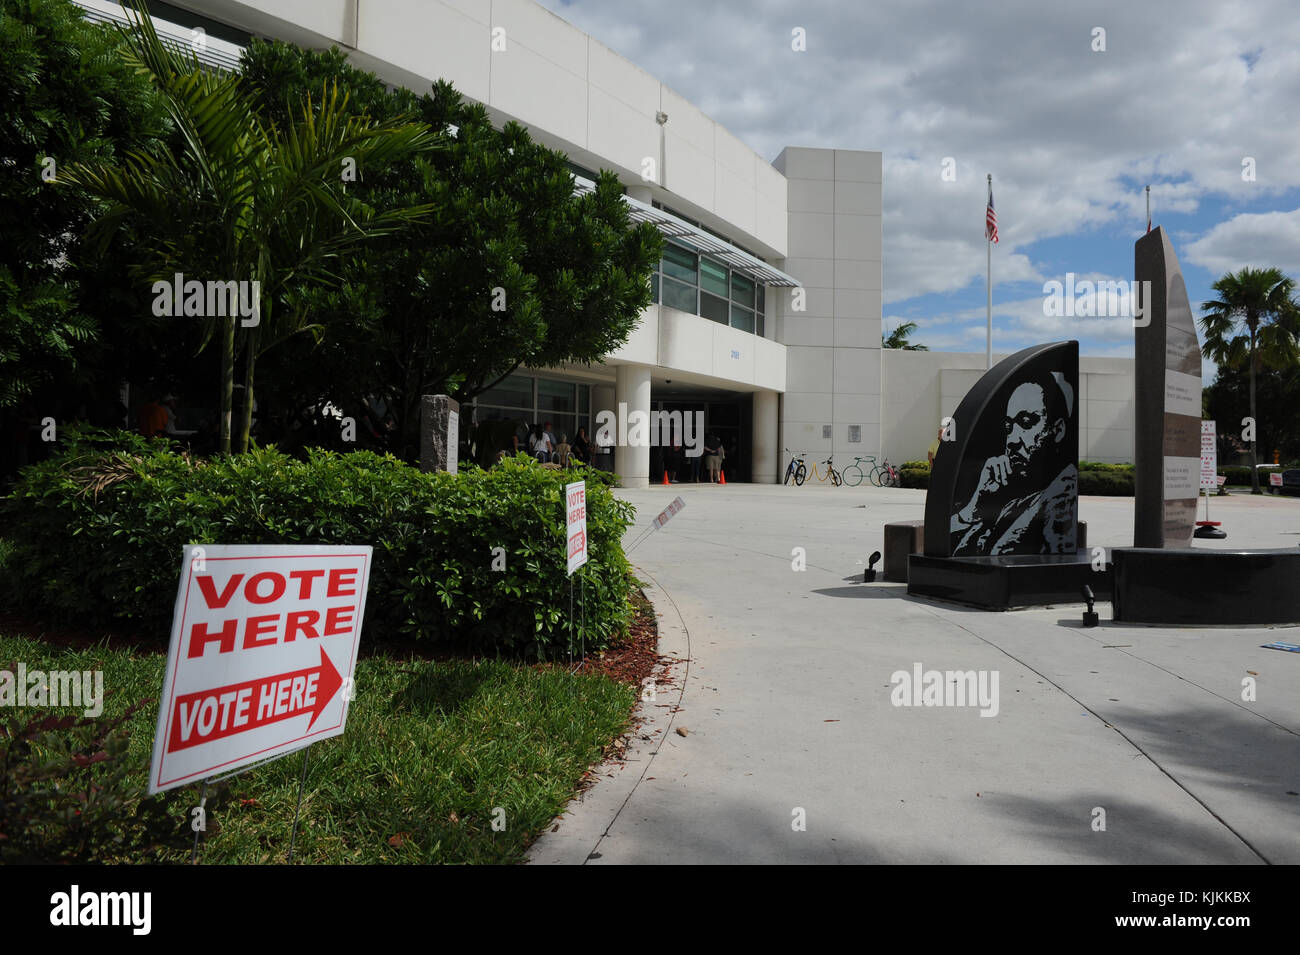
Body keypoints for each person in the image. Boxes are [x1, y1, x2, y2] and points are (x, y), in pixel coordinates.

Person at [950, 372, 1077, 555]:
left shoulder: (1061, 499)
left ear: (1057, 430)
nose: (1012, 440)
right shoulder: (1014, 502)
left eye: (1026, 423)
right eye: (1009, 427)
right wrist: (973, 510)